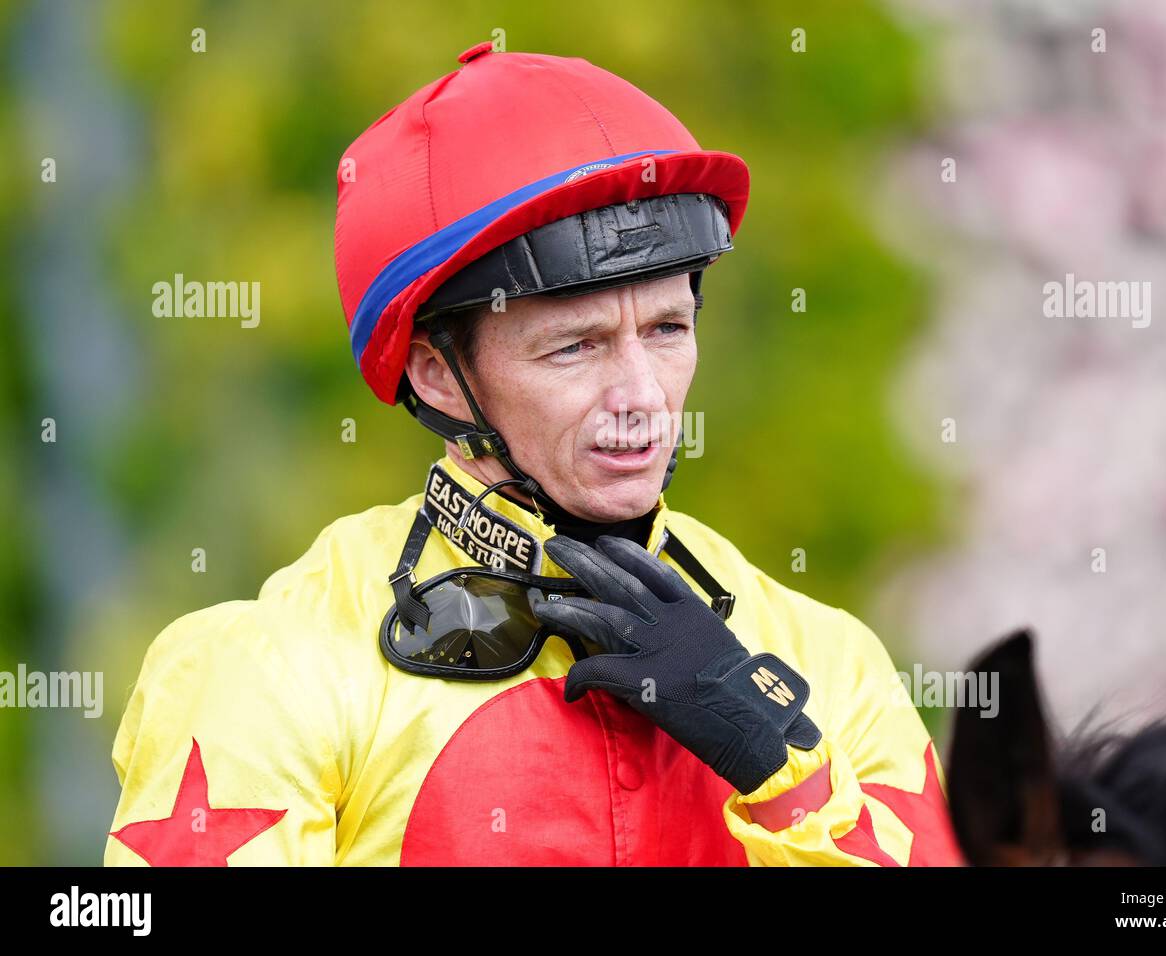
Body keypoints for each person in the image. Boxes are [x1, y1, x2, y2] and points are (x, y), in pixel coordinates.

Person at [104, 43, 962, 866]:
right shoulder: (266, 669)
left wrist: (783, 776)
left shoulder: (832, 663)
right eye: (575, 348)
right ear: (439, 374)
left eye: (667, 329)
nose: (641, 397)